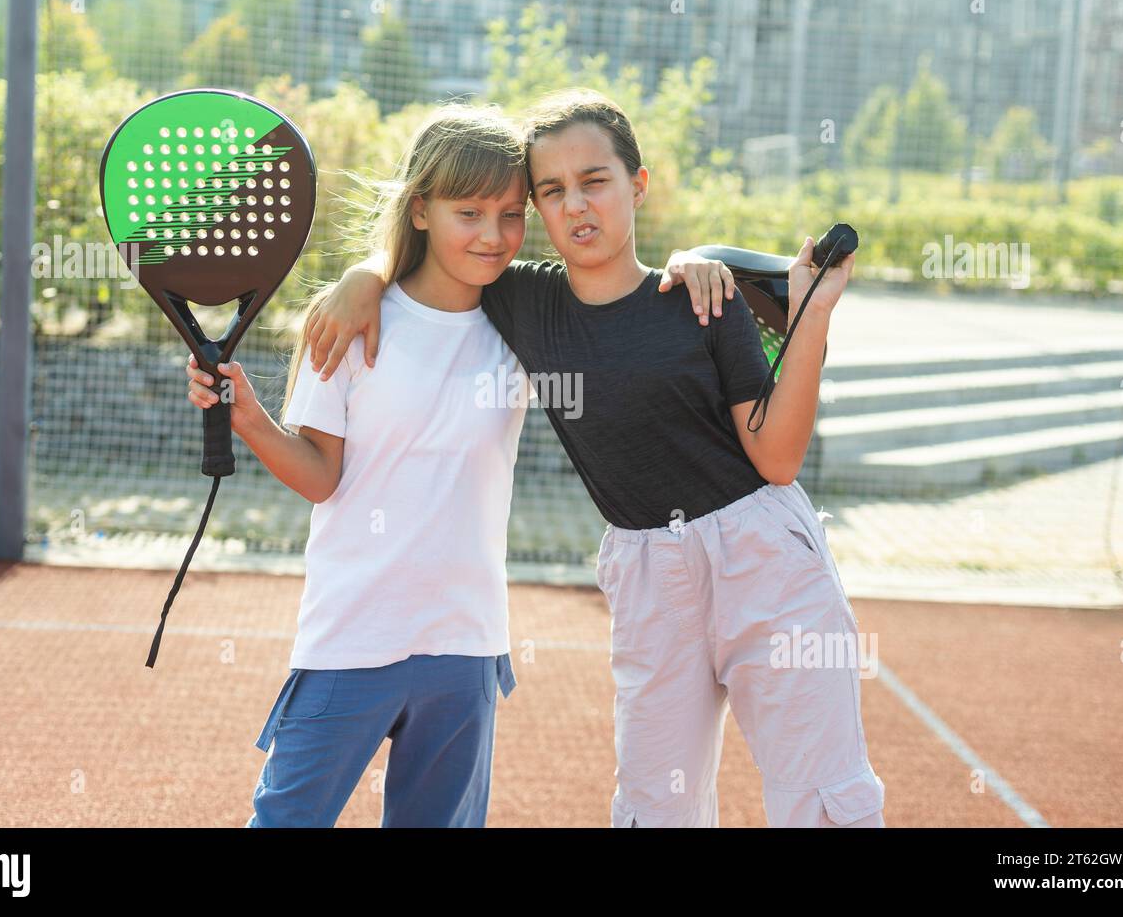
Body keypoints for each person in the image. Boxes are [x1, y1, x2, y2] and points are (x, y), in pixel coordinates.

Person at [307, 89, 884, 828]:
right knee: (653, 810)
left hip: (763, 559)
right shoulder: (519, 300)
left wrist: (815, 315)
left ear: (637, 185)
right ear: (536, 209)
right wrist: (364, 277)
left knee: (822, 803)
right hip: (648, 577)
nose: (577, 206)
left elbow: (777, 457)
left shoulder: (704, 298)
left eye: (596, 182)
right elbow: (436, 250)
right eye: (552, 191)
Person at [186, 102, 730, 827]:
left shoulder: (524, 322)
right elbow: (321, 474)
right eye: (468, 213)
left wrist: (693, 261)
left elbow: (618, 290)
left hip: (466, 647)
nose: (493, 235)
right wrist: (250, 418)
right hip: (352, 636)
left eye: (511, 215)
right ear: (420, 210)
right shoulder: (351, 319)